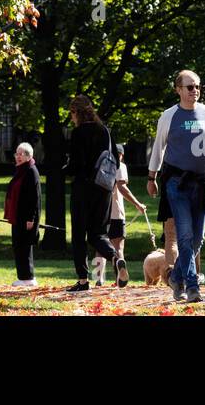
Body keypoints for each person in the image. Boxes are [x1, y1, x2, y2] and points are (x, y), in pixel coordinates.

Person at [147, 70, 205, 302]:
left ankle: (175, 277)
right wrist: (151, 178)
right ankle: (192, 285)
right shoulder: (169, 116)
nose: (195, 90)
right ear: (178, 90)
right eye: (189, 87)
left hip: (200, 183)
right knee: (185, 236)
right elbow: (158, 147)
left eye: (198, 86)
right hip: (175, 184)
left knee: (197, 239)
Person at [64, 94, 122, 292]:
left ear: (77, 112)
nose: (71, 118)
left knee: (79, 234)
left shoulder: (79, 133)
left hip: (83, 189)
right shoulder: (105, 131)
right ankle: (115, 257)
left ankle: (82, 280)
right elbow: (116, 159)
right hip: (104, 188)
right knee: (98, 233)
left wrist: (64, 171)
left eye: (71, 113)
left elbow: (76, 165)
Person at [95, 143, 146, 288]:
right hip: (116, 213)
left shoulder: (101, 165)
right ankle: (120, 277)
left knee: (100, 245)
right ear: (121, 155)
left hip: (100, 212)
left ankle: (98, 278)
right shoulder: (120, 166)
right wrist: (137, 204)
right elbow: (122, 187)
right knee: (118, 246)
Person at [4, 142, 41, 287]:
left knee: (24, 246)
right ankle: (23, 276)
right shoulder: (22, 170)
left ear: (29, 156)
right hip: (18, 215)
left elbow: (34, 198)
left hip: (26, 217)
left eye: (22, 154)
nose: (18, 157)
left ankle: (28, 277)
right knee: (18, 245)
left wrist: (31, 218)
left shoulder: (31, 171)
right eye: (17, 154)